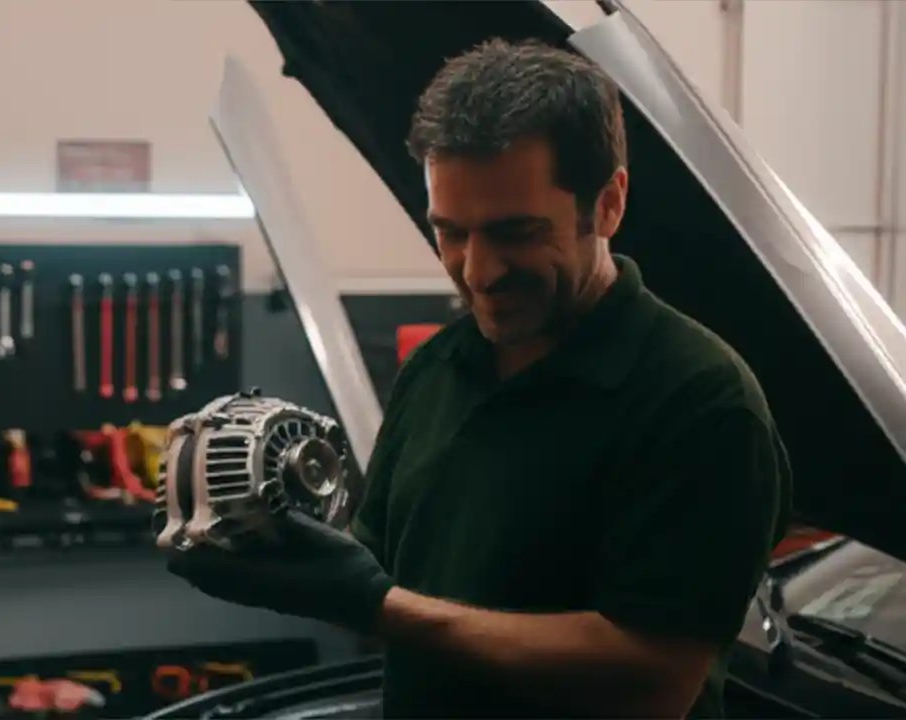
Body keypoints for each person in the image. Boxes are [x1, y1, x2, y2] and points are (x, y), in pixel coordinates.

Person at [168, 38, 791, 719]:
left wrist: (377, 605)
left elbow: (652, 684)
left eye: (516, 233)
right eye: (451, 232)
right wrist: (280, 545)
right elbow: (383, 570)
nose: (478, 271)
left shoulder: (699, 402)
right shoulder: (438, 367)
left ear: (608, 204)